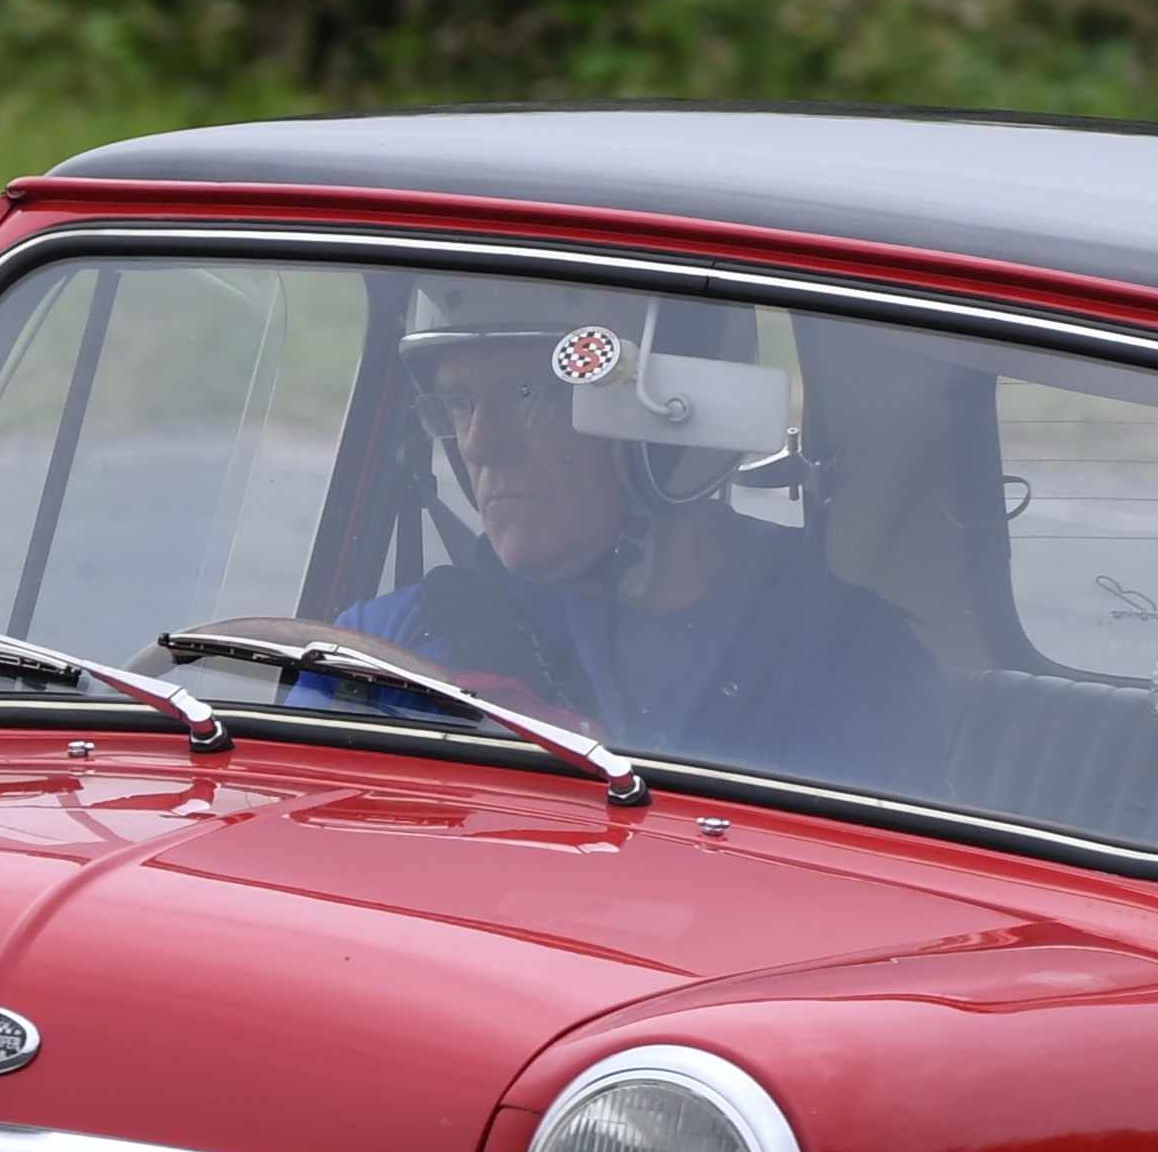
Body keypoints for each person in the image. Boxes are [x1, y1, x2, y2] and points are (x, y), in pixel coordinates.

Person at [331, 290, 949, 796]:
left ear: (671, 431)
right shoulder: (393, 644)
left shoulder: (845, 660)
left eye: (531, 396)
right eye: (462, 404)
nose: (480, 446)